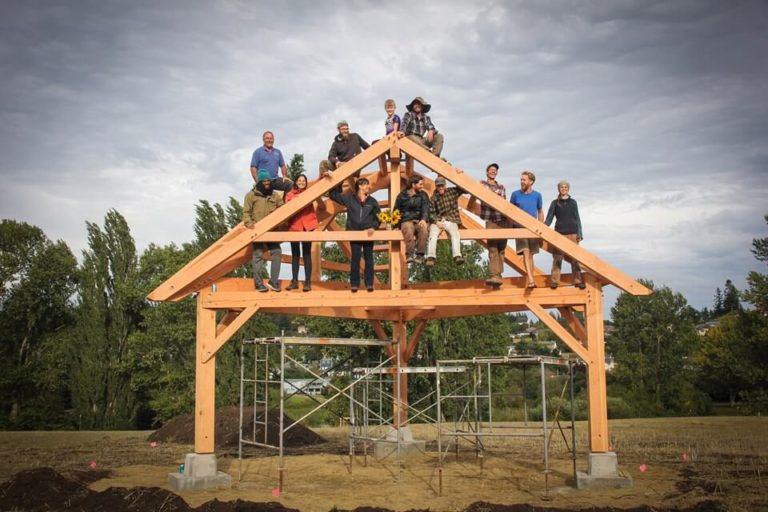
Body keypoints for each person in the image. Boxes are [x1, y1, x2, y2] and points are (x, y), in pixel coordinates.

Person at [328, 177, 381, 292]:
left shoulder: (372, 201)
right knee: (355, 259)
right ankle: (354, 284)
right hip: (354, 233)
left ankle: (369, 284)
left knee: (369, 259)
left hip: (368, 234)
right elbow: (333, 195)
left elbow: (379, 217)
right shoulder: (350, 199)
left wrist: (373, 227)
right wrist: (338, 179)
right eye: (366, 185)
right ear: (360, 186)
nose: (368, 187)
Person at [243, 170, 284, 292]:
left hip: (272, 230)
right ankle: (259, 284)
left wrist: (277, 216)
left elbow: (283, 208)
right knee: (257, 255)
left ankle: (274, 282)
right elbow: (246, 213)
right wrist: (250, 224)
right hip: (258, 231)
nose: (266, 183)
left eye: (268, 181)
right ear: (259, 182)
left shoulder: (275, 195)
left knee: (277, 252)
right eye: (264, 181)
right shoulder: (251, 196)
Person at [545, 180, 585, 289]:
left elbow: (577, 218)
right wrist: (543, 228)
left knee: (575, 259)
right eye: (561, 187)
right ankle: (554, 281)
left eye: (565, 187)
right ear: (559, 189)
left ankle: (577, 280)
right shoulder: (555, 203)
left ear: (568, 189)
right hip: (559, 234)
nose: (563, 189)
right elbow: (549, 218)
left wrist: (579, 233)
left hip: (572, 232)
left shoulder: (573, 202)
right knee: (557, 258)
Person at [285, 174, 320, 292]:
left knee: (306, 255)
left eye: (303, 180)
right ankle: (294, 281)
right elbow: (288, 207)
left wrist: (321, 176)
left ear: (306, 182)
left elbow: (320, 186)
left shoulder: (309, 192)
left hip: (307, 227)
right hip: (294, 226)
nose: (301, 182)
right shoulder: (290, 194)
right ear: (296, 182)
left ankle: (307, 282)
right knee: (295, 255)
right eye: (299, 180)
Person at [510, 170, 543, 289]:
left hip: (533, 229)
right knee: (525, 252)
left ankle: (532, 278)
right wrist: (511, 227)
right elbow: (510, 210)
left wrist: (541, 227)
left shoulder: (537, 195)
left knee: (531, 255)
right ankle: (530, 279)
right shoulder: (515, 195)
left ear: (531, 181)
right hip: (519, 228)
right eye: (521, 180)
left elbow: (540, 211)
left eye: (524, 180)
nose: (521, 182)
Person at [425, 174, 466, 266]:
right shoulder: (433, 198)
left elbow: (464, 188)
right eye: (438, 186)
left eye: (442, 185)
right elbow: (430, 213)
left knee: (455, 234)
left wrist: (458, 175)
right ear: (436, 186)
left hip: (451, 219)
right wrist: (436, 222)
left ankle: (457, 256)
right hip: (438, 221)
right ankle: (430, 257)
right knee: (433, 234)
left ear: (445, 185)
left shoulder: (452, 192)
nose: (440, 188)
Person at [480, 163, 508, 288]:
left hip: (502, 220)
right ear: (487, 172)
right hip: (490, 220)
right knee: (492, 249)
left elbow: (504, 203)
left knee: (501, 250)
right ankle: (494, 275)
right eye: (491, 170)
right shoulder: (482, 184)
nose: (493, 172)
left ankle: (498, 275)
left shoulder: (501, 187)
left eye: (495, 170)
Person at [393, 175, 430, 264]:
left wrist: (424, 219)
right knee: (408, 229)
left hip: (419, 220)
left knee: (424, 229)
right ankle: (409, 255)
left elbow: (426, 208)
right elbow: (396, 211)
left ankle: (420, 255)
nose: (422, 186)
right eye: (420, 184)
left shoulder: (423, 195)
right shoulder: (402, 195)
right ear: (413, 185)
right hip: (406, 220)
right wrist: (395, 225)